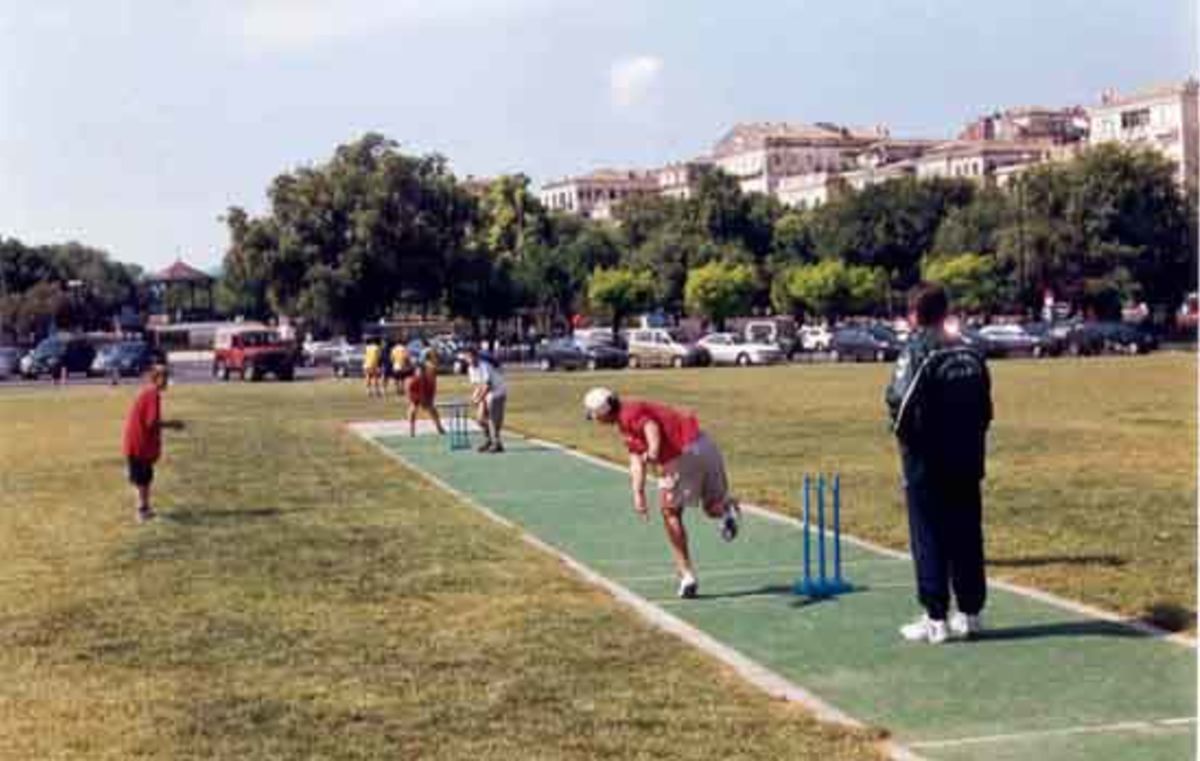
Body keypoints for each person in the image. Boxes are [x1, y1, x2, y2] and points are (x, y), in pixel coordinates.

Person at [886, 282, 993, 645]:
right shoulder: (971, 350)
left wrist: (906, 443)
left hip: (927, 463)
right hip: (967, 459)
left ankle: (936, 618)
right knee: (967, 535)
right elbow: (986, 410)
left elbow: (899, 403)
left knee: (929, 536)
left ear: (915, 314)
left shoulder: (918, 350)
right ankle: (971, 613)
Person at [583, 387, 740, 599]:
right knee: (712, 508)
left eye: (595, 416)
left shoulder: (629, 413)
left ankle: (687, 576)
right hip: (705, 445)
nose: (595, 421)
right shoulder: (628, 419)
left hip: (680, 455)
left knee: (670, 513)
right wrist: (638, 493)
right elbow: (636, 459)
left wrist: (655, 450)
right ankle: (727, 511)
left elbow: (650, 426)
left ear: (603, 413)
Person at [122, 364, 183, 524]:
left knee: (146, 478)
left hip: (140, 445)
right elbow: (152, 422)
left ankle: (146, 508)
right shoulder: (152, 394)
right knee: (142, 479)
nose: (167, 381)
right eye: (165, 378)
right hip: (139, 445)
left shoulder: (150, 393)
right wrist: (173, 424)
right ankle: (141, 510)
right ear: (156, 378)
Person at [463, 346, 507, 453]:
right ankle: (489, 440)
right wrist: (475, 396)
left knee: (492, 418)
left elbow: (488, 385)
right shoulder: (470, 369)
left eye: (470, 357)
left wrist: (479, 398)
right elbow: (478, 385)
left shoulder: (484, 366)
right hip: (487, 392)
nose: (468, 360)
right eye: (466, 358)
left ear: (476, 356)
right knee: (480, 419)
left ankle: (496, 444)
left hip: (497, 392)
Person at [404, 352, 446, 437]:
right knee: (414, 406)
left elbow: (432, 383)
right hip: (416, 386)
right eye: (435, 357)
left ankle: (439, 427)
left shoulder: (432, 367)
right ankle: (411, 430)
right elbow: (417, 379)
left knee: (430, 408)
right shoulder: (428, 366)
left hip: (424, 386)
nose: (437, 359)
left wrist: (430, 396)